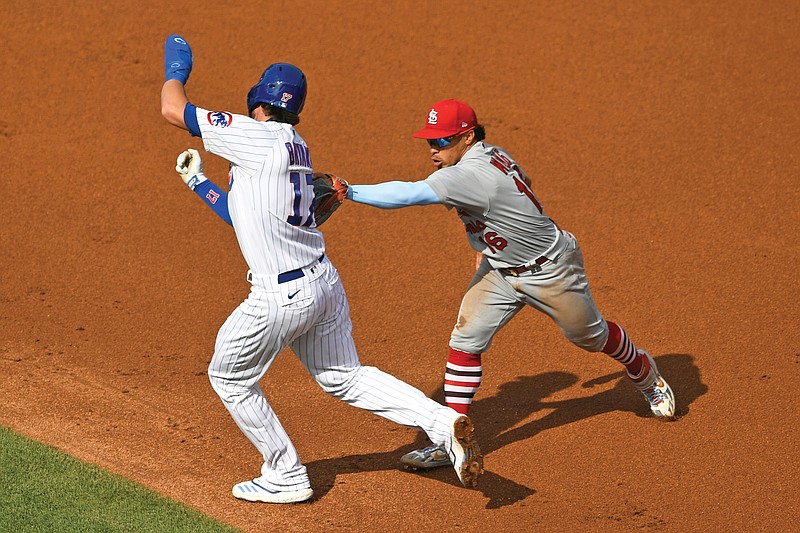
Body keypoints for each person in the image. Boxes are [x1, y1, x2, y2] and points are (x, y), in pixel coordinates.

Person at [159, 35, 483, 502]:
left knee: (229, 376)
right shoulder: (296, 148)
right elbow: (238, 214)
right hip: (322, 284)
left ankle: (285, 473)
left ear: (257, 101)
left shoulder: (252, 134)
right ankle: (442, 422)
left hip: (279, 297)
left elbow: (174, 109)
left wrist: (177, 70)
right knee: (343, 376)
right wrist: (198, 182)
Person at [344, 98, 676, 471]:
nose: (433, 150)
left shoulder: (467, 176)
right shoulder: (491, 153)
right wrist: (493, 240)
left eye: (441, 142)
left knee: (591, 337)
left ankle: (641, 369)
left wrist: (348, 191)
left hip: (550, 270)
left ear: (466, 137)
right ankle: (449, 439)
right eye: (430, 142)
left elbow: (408, 194)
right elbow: (524, 185)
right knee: (464, 342)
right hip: (500, 269)